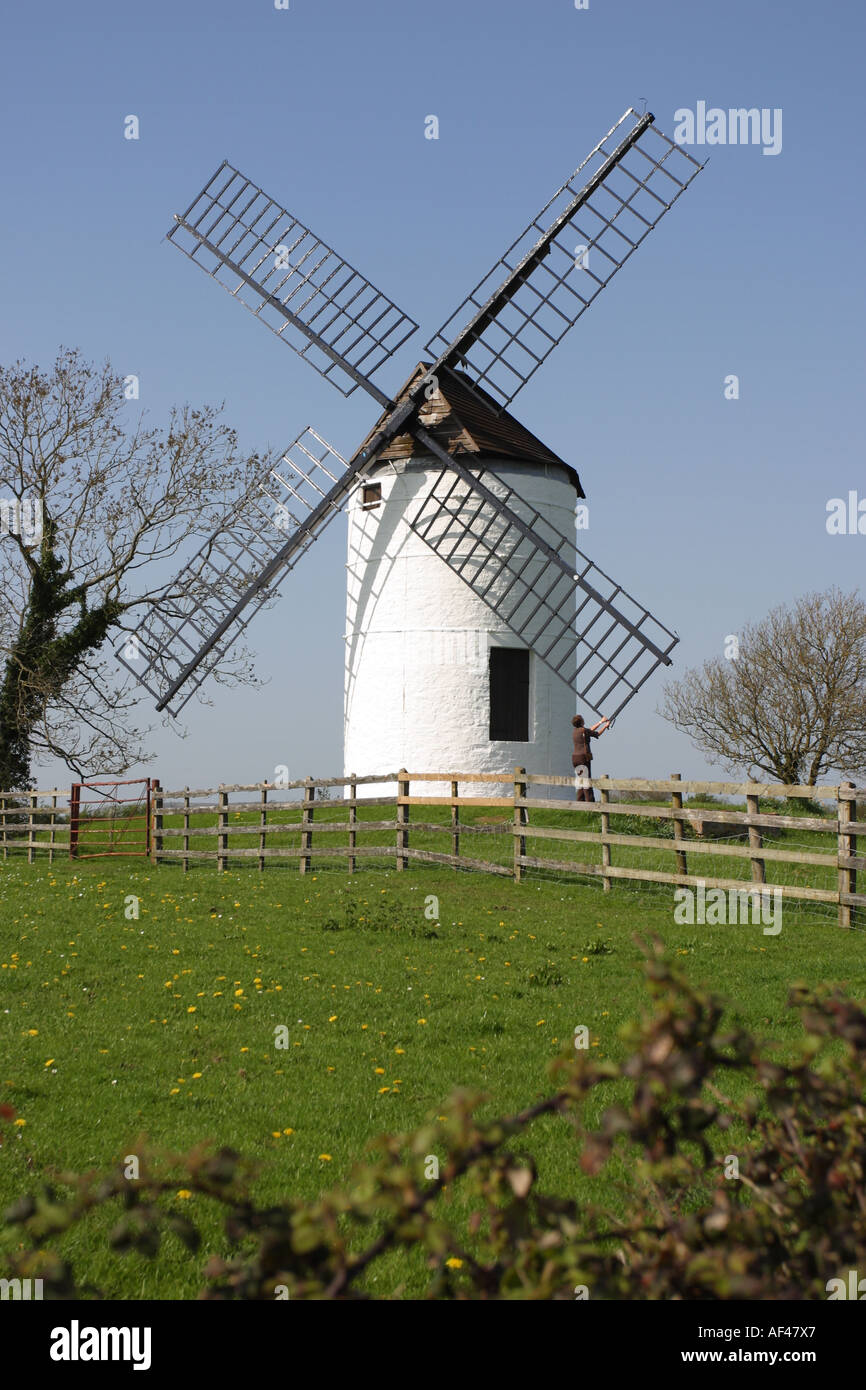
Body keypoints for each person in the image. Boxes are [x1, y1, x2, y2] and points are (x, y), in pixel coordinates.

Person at [571, 714, 610, 802]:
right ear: (581, 722)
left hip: (575, 758)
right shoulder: (584, 731)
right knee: (587, 781)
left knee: (581, 779)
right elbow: (597, 734)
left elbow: (590, 730)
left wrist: (601, 722)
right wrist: (605, 726)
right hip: (583, 758)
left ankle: (580, 801)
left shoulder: (575, 732)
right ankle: (590, 803)